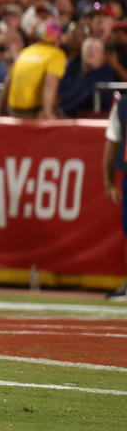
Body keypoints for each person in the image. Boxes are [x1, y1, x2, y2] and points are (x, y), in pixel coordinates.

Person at [1, 21, 65, 119]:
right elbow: (50, 83)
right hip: (34, 112)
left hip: (14, 111)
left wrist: (0, 109)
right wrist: (47, 113)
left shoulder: (26, 51)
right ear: (58, 38)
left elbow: (8, 81)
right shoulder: (56, 54)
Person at [100, 95, 127, 301]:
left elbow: (112, 143)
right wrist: (109, 181)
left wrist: (109, 181)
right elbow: (112, 143)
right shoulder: (122, 105)